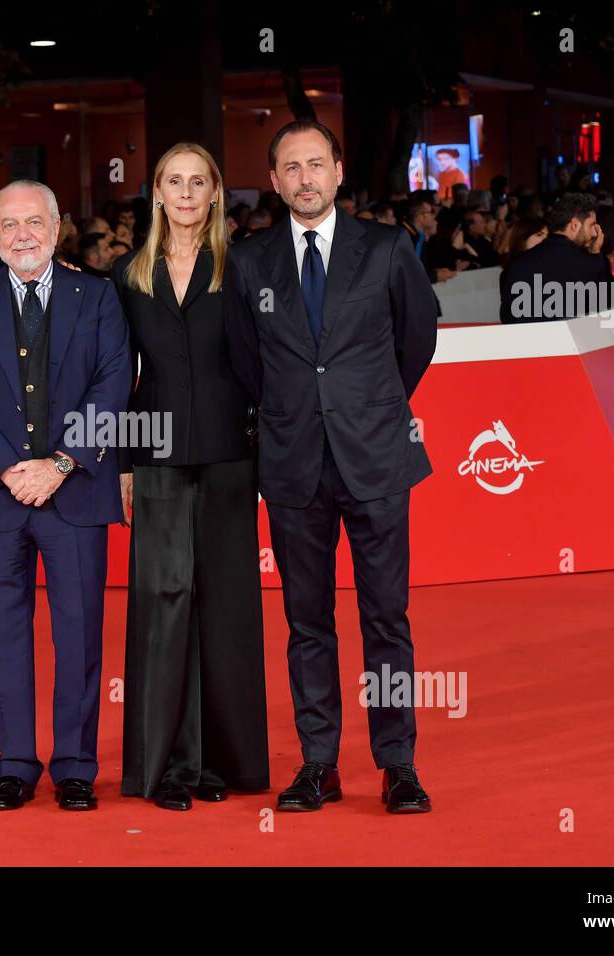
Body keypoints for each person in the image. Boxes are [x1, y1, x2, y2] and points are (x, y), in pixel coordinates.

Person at [224, 120, 438, 814]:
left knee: (387, 618)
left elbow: (417, 339)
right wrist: (297, 413)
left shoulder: (385, 248)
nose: (305, 178)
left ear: (339, 171)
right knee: (306, 621)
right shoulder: (251, 261)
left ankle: (397, 762)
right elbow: (246, 362)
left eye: (317, 164)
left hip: (374, 458)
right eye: (291, 167)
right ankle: (319, 762)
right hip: (293, 467)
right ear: (276, 179)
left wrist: (367, 406)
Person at [0, 179, 130, 812]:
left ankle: (76, 765)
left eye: (34, 222)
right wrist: (9, 468)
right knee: (3, 633)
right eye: (9, 225)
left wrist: (62, 462)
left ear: (56, 227)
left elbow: (112, 383)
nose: (23, 235)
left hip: (75, 491)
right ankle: (14, 763)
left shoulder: (98, 296)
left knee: (79, 632)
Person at [111, 143, 268, 811]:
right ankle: (168, 765)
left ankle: (223, 765)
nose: (184, 192)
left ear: (214, 194)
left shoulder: (242, 268)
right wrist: (120, 461)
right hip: (155, 459)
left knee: (227, 608)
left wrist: (271, 450)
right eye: (173, 181)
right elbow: (117, 378)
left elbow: (266, 367)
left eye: (196, 182)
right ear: (157, 193)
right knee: (164, 605)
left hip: (233, 454)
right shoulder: (127, 276)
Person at [500, 193, 613, 323]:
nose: (595, 232)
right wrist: (596, 254)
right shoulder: (589, 263)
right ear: (574, 225)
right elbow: (609, 311)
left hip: (529, 341)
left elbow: (507, 317)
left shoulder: (518, 263)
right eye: (591, 225)